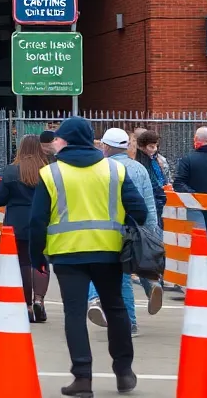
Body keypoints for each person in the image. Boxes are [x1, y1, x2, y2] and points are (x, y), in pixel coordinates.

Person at [29, 116, 149, 397]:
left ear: (68, 140)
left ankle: (82, 378)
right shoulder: (114, 171)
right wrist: (122, 229)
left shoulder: (51, 174)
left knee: (74, 313)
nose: (55, 141)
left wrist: (37, 258)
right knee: (116, 309)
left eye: (58, 137)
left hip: (68, 255)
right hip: (108, 252)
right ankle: (124, 372)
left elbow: (36, 221)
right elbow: (140, 211)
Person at [85, 128, 165, 336]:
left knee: (117, 276)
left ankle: (110, 310)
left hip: (108, 227)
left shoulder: (102, 168)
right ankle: (151, 284)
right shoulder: (139, 168)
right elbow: (148, 200)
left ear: (107, 146)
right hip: (136, 225)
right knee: (133, 266)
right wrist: (151, 230)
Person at [0, 134, 50, 322]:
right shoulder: (48, 171)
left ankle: (28, 306)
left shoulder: (10, 171)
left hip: (17, 222)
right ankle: (39, 299)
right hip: (43, 220)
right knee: (41, 261)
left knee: (23, 262)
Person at [173, 126, 207, 232]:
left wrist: (196, 198)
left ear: (196, 140)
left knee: (200, 243)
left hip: (196, 214)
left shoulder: (187, 160)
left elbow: (178, 183)